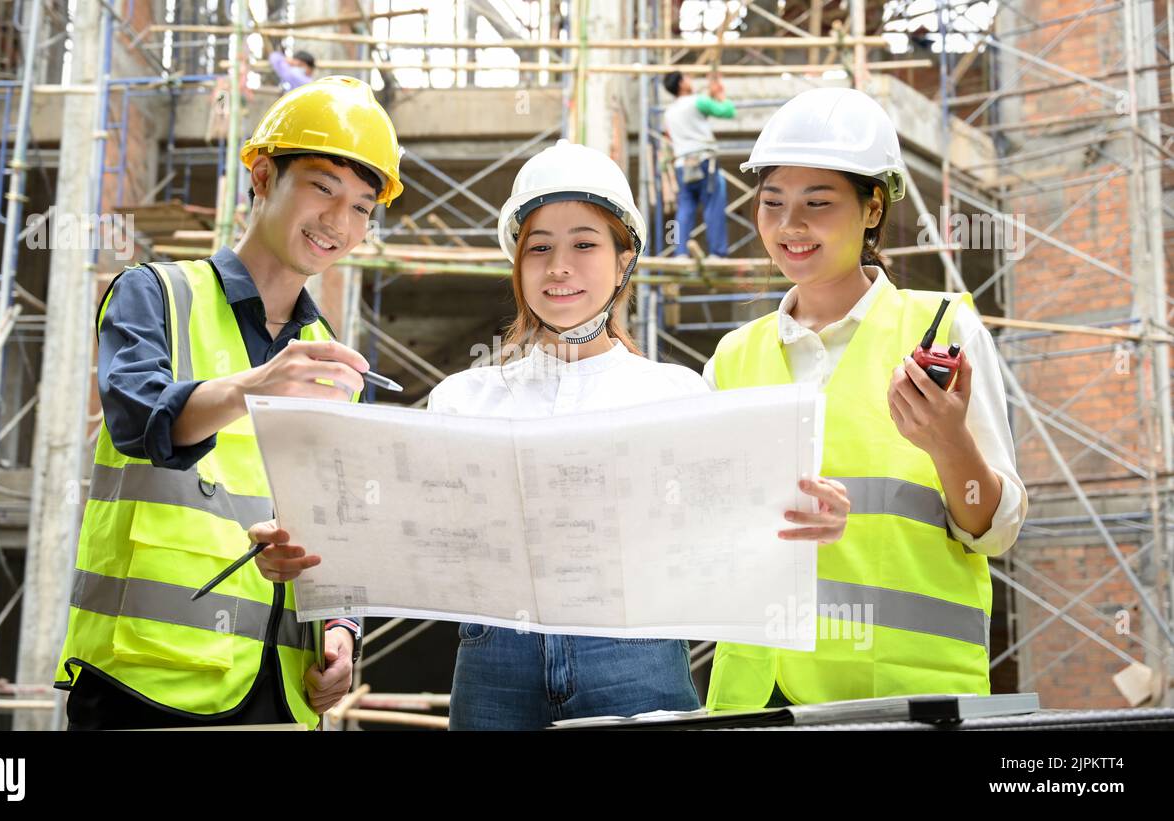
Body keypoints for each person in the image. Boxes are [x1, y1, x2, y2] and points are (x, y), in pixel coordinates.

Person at [398, 139, 843, 730]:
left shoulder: (675, 396)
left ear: (624, 261)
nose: (559, 266)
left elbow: (723, 536)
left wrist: (801, 522)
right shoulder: (463, 400)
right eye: (539, 248)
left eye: (585, 244)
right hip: (495, 653)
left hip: (634, 651)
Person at [55, 76, 404, 729]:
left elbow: (338, 523)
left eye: (362, 207)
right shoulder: (155, 294)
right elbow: (137, 418)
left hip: (281, 690)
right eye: (323, 188)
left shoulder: (330, 357)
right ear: (264, 175)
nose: (340, 222)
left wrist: (341, 628)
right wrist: (254, 387)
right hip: (147, 682)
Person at [703, 87, 1028, 711]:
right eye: (772, 202)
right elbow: (698, 527)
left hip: (907, 696)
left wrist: (949, 442)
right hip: (756, 697)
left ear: (873, 208)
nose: (790, 226)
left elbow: (996, 531)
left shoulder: (942, 332)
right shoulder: (732, 358)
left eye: (817, 203)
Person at [662, 70, 735, 258]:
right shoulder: (698, 101)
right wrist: (720, 95)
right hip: (704, 161)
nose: (691, 80)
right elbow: (728, 111)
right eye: (687, 78)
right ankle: (717, 253)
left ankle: (680, 252)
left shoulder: (669, 112)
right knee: (713, 205)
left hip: (682, 164)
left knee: (684, 209)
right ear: (681, 83)